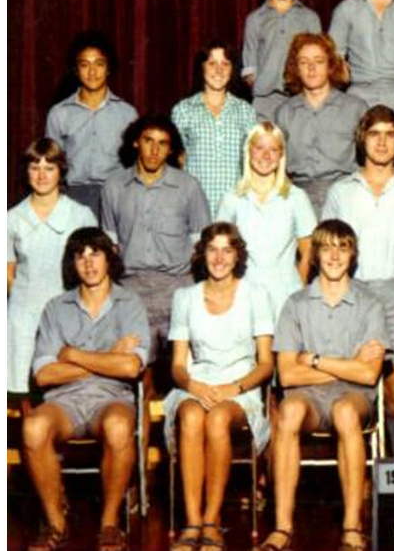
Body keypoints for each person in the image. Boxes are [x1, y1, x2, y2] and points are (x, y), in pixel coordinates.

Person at [22, 227, 153, 551]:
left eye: (96, 254)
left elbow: (131, 367)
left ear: (109, 258)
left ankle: (109, 523)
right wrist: (110, 355)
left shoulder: (130, 303)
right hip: (63, 401)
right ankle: (56, 524)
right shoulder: (56, 307)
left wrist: (72, 354)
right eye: (80, 256)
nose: (89, 263)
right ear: (72, 263)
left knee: (119, 424)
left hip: (111, 397)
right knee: (34, 427)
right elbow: (44, 375)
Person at [261, 220, 388, 551]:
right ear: (315, 254)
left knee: (345, 412)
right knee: (288, 411)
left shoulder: (370, 304)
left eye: (342, 248)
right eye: (327, 248)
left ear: (352, 255)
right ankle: (282, 527)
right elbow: (287, 376)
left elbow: (368, 376)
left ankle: (351, 526)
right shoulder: (295, 304)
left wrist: (315, 360)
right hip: (308, 399)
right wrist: (350, 363)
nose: (334, 256)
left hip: (354, 397)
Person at [322, 105, 394, 457]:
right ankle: (362, 470)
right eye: (374, 134)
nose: (382, 142)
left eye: (389, 135)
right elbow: (327, 247)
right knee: (351, 384)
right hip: (353, 293)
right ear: (362, 139)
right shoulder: (341, 190)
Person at [165, 223, 275, 551]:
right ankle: (192, 522)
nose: (219, 258)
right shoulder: (184, 297)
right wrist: (193, 385)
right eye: (212, 249)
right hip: (197, 384)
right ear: (202, 254)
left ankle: (211, 521)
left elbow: (265, 364)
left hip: (241, 388)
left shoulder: (256, 294)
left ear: (238, 255)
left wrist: (233, 388)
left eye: (227, 250)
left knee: (217, 419)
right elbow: (177, 366)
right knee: (191, 416)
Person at [101, 115, 212, 351]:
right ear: (136, 142)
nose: (154, 150)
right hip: (131, 288)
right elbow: (110, 245)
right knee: (136, 365)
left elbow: (202, 245)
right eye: (148, 141)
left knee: (181, 363)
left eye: (162, 143)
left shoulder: (188, 186)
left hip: (177, 287)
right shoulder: (114, 186)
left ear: (170, 149)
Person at [8, 139, 98, 394]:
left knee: (66, 389)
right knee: (23, 388)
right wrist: (28, 305)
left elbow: (94, 269)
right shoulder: (12, 219)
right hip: (24, 316)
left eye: (49, 168)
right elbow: (8, 275)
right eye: (34, 167)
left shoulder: (81, 215)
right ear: (26, 172)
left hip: (68, 314)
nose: (41, 175)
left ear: (61, 171)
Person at [216, 122, 316, 317]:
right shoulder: (232, 198)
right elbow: (220, 252)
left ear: (281, 156)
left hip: (286, 296)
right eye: (259, 148)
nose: (266, 155)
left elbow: (308, 252)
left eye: (273, 150)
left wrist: (298, 294)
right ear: (249, 151)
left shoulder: (296, 197)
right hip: (243, 296)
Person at [46, 31, 140, 218]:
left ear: (108, 68)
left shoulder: (127, 114)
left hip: (115, 195)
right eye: (84, 65)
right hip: (71, 195)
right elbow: (51, 163)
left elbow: (136, 165)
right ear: (76, 69)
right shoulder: (59, 113)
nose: (92, 72)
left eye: (99, 64)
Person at [273, 32, 368, 215]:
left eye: (318, 61)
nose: (311, 68)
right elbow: (277, 167)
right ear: (295, 68)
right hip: (299, 197)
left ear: (330, 65)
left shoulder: (355, 108)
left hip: (346, 196)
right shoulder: (285, 112)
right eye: (304, 62)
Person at [172, 40, 258, 214]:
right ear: (202, 67)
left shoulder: (245, 111)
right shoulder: (183, 110)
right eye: (212, 63)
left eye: (225, 64)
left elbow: (252, 164)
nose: (219, 70)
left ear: (232, 69)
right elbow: (176, 165)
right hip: (195, 209)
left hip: (236, 211)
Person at [241, 0, 323, 121]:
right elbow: (249, 69)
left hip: (301, 101)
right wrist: (261, 86)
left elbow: (319, 63)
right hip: (265, 103)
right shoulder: (255, 19)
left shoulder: (310, 18)